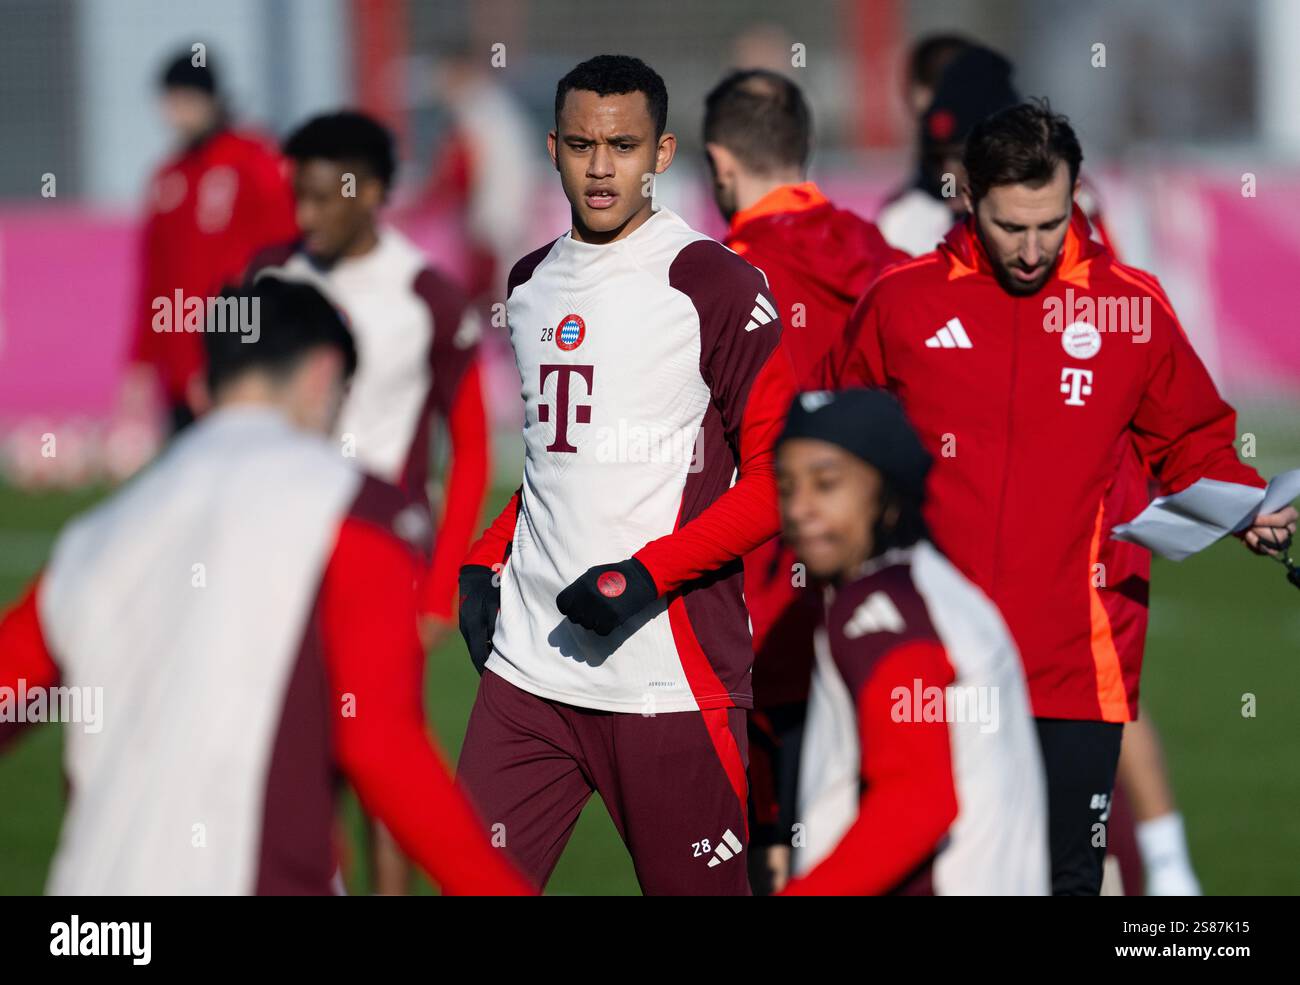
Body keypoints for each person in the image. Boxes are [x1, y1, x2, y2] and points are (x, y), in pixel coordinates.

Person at [816, 101, 1297, 895]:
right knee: (924, 874)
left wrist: (1246, 506)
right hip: (931, 661)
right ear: (967, 195)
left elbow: (1194, 439)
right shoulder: (899, 302)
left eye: (1053, 220)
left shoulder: (1130, 305)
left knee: (1065, 879)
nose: (1035, 248)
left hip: (1076, 667)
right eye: (1012, 226)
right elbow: (831, 441)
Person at [0, 278, 532, 895]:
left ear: (202, 391)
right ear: (321, 376)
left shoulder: (97, 535)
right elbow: (381, 748)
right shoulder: (354, 509)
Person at [455, 54, 795, 895]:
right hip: (528, 676)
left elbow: (778, 480)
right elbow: (556, 461)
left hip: (666, 682)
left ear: (664, 152)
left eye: (623, 145)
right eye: (580, 144)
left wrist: (645, 578)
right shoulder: (528, 284)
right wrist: (483, 555)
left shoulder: (714, 283)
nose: (601, 167)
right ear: (553, 149)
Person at [247, 110, 491, 894]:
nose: (307, 215)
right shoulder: (267, 280)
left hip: (383, 563)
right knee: (288, 764)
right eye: (300, 196)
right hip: (280, 560)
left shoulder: (428, 296)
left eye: (324, 196)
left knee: (385, 765)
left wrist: (443, 586)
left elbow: (474, 445)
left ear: (375, 190)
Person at [701, 67, 905, 892]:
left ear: (720, 162)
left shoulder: (716, 283)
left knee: (768, 856)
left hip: (764, 615)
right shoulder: (891, 258)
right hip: (883, 607)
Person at [774, 389, 1048, 895]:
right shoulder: (935, 586)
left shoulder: (880, 610)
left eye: (826, 484)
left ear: (888, 493)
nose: (800, 508)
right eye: (787, 486)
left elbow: (918, 800)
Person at [125, 51, 297, 433]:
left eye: (187, 100)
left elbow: (282, 256)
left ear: (212, 100)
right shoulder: (167, 178)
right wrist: (141, 360)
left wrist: (242, 350)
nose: (177, 112)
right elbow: (155, 279)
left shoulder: (253, 159)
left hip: (242, 358)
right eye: (171, 101)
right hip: (180, 369)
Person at [877, 44, 1018, 257]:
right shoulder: (903, 226)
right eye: (937, 159)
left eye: (964, 158)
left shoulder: (1065, 217)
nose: (949, 177)